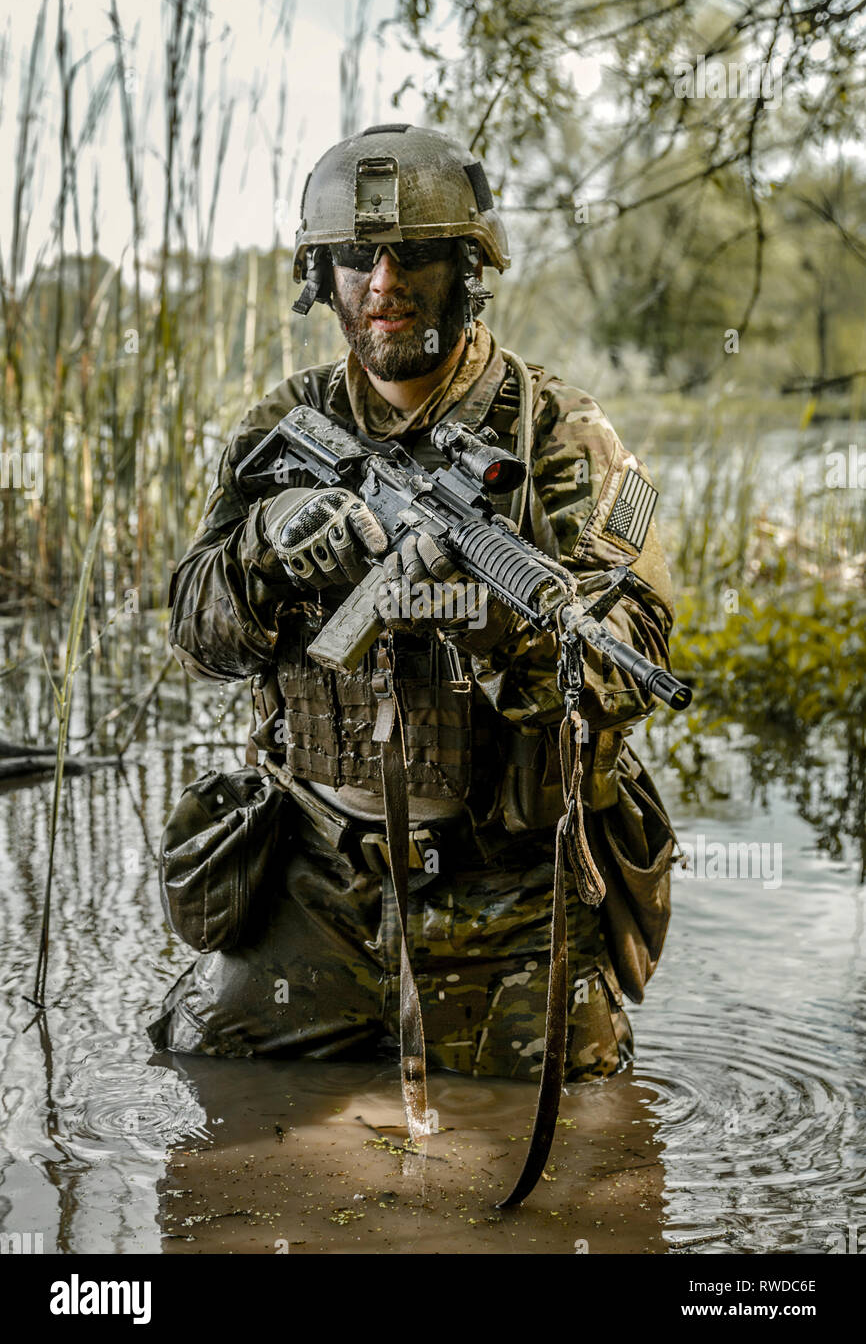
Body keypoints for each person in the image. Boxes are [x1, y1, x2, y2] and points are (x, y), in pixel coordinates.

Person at [149, 123, 676, 1098]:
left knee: (593, 1123)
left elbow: (624, 651)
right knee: (200, 1080)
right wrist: (268, 547)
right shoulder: (279, 430)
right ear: (322, 275)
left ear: (465, 270)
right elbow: (196, 634)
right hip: (314, 876)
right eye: (354, 256)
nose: (382, 282)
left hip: (504, 888)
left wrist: (486, 615)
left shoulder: (557, 434)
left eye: (414, 255)